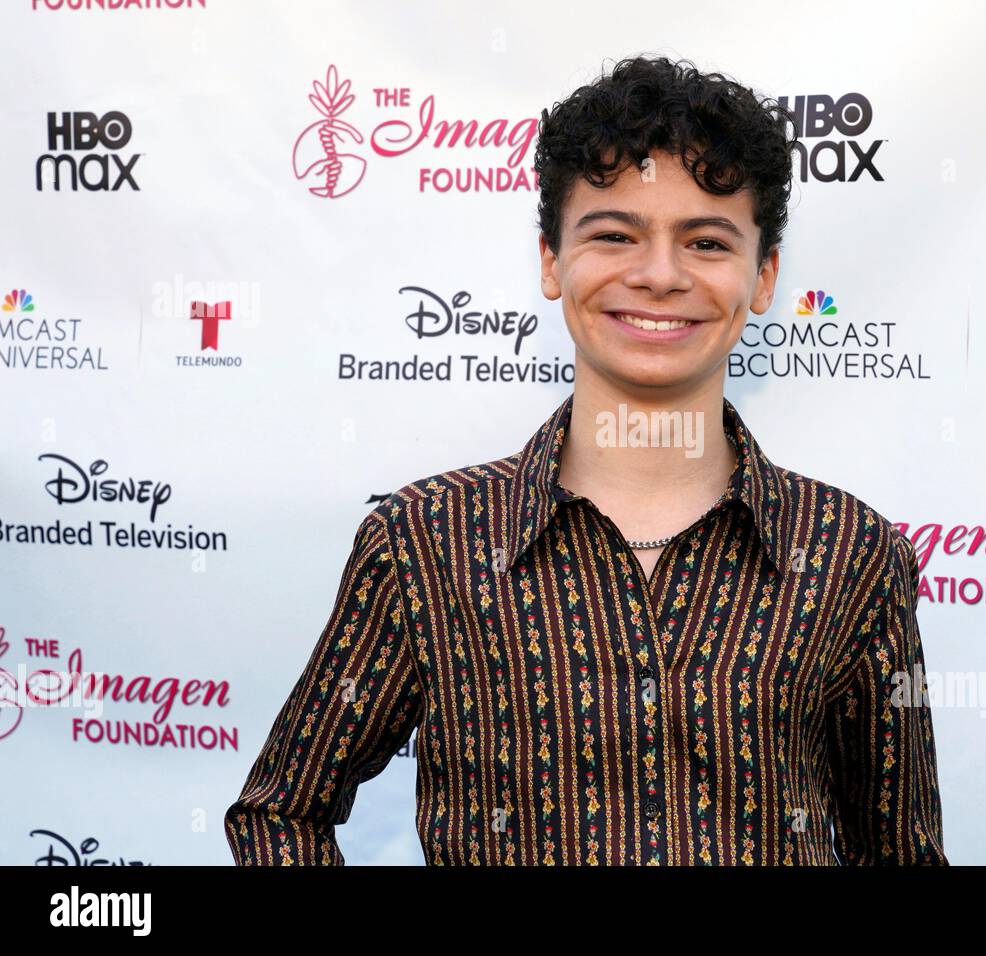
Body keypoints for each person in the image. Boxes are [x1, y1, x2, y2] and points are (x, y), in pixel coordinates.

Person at [224, 54, 947, 866]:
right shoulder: (425, 541)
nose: (659, 275)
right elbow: (280, 814)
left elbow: (904, 853)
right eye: (614, 235)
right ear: (550, 259)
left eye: (707, 241)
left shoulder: (850, 553)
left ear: (763, 276)